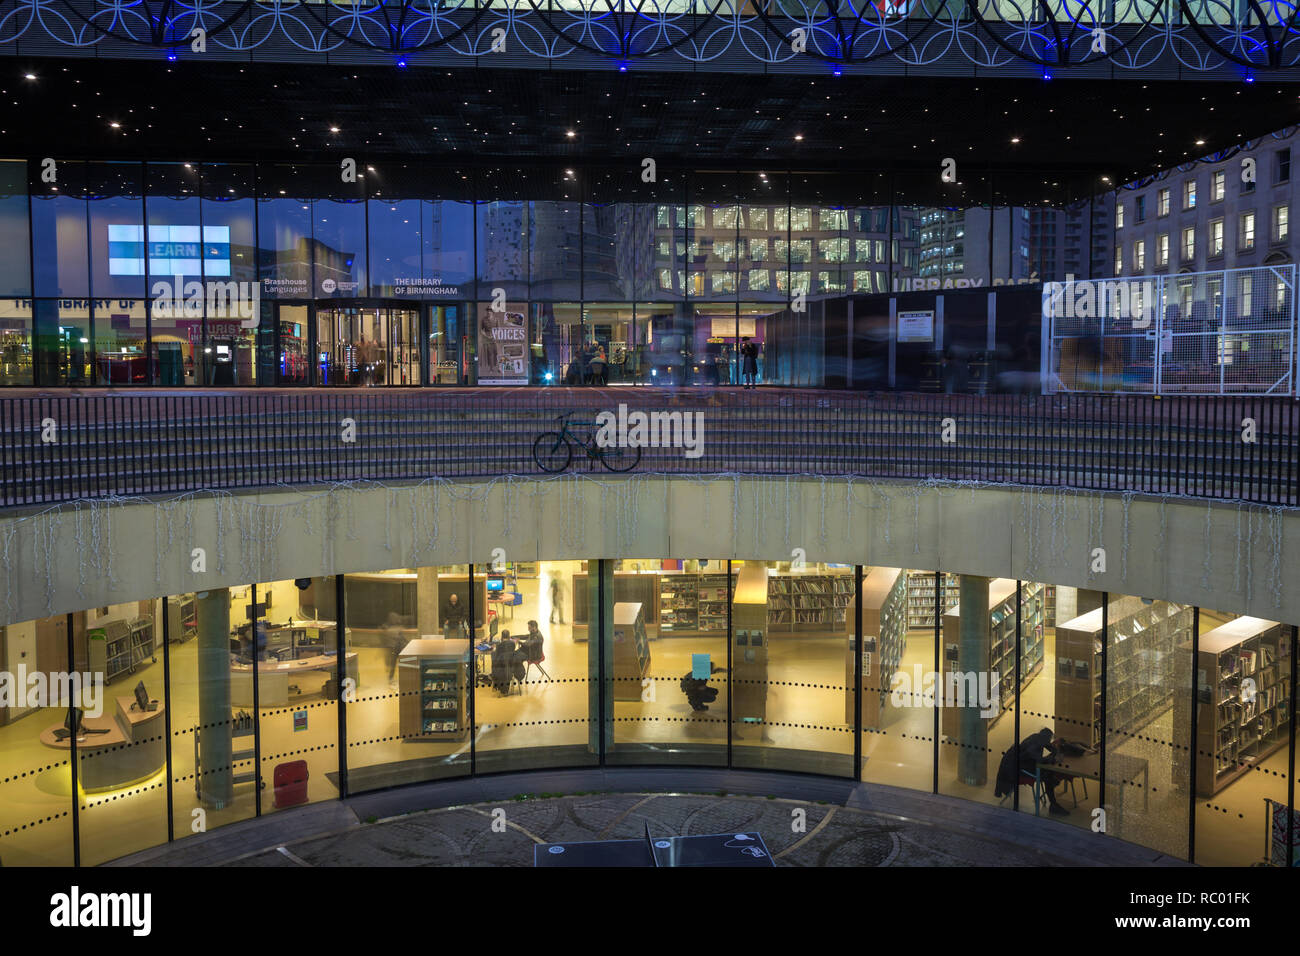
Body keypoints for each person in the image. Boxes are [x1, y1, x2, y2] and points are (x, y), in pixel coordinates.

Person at [995, 727, 1070, 816]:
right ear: (1045, 738)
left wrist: (1054, 750)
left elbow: (1048, 748)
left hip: (1025, 765)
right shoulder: (1033, 745)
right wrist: (1052, 758)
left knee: (1049, 775)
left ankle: (1053, 800)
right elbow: (1039, 761)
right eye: (1048, 740)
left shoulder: (1038, 738)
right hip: (1021, 771)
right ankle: (1053, 805)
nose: (1048, 742)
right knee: (1048, 776)